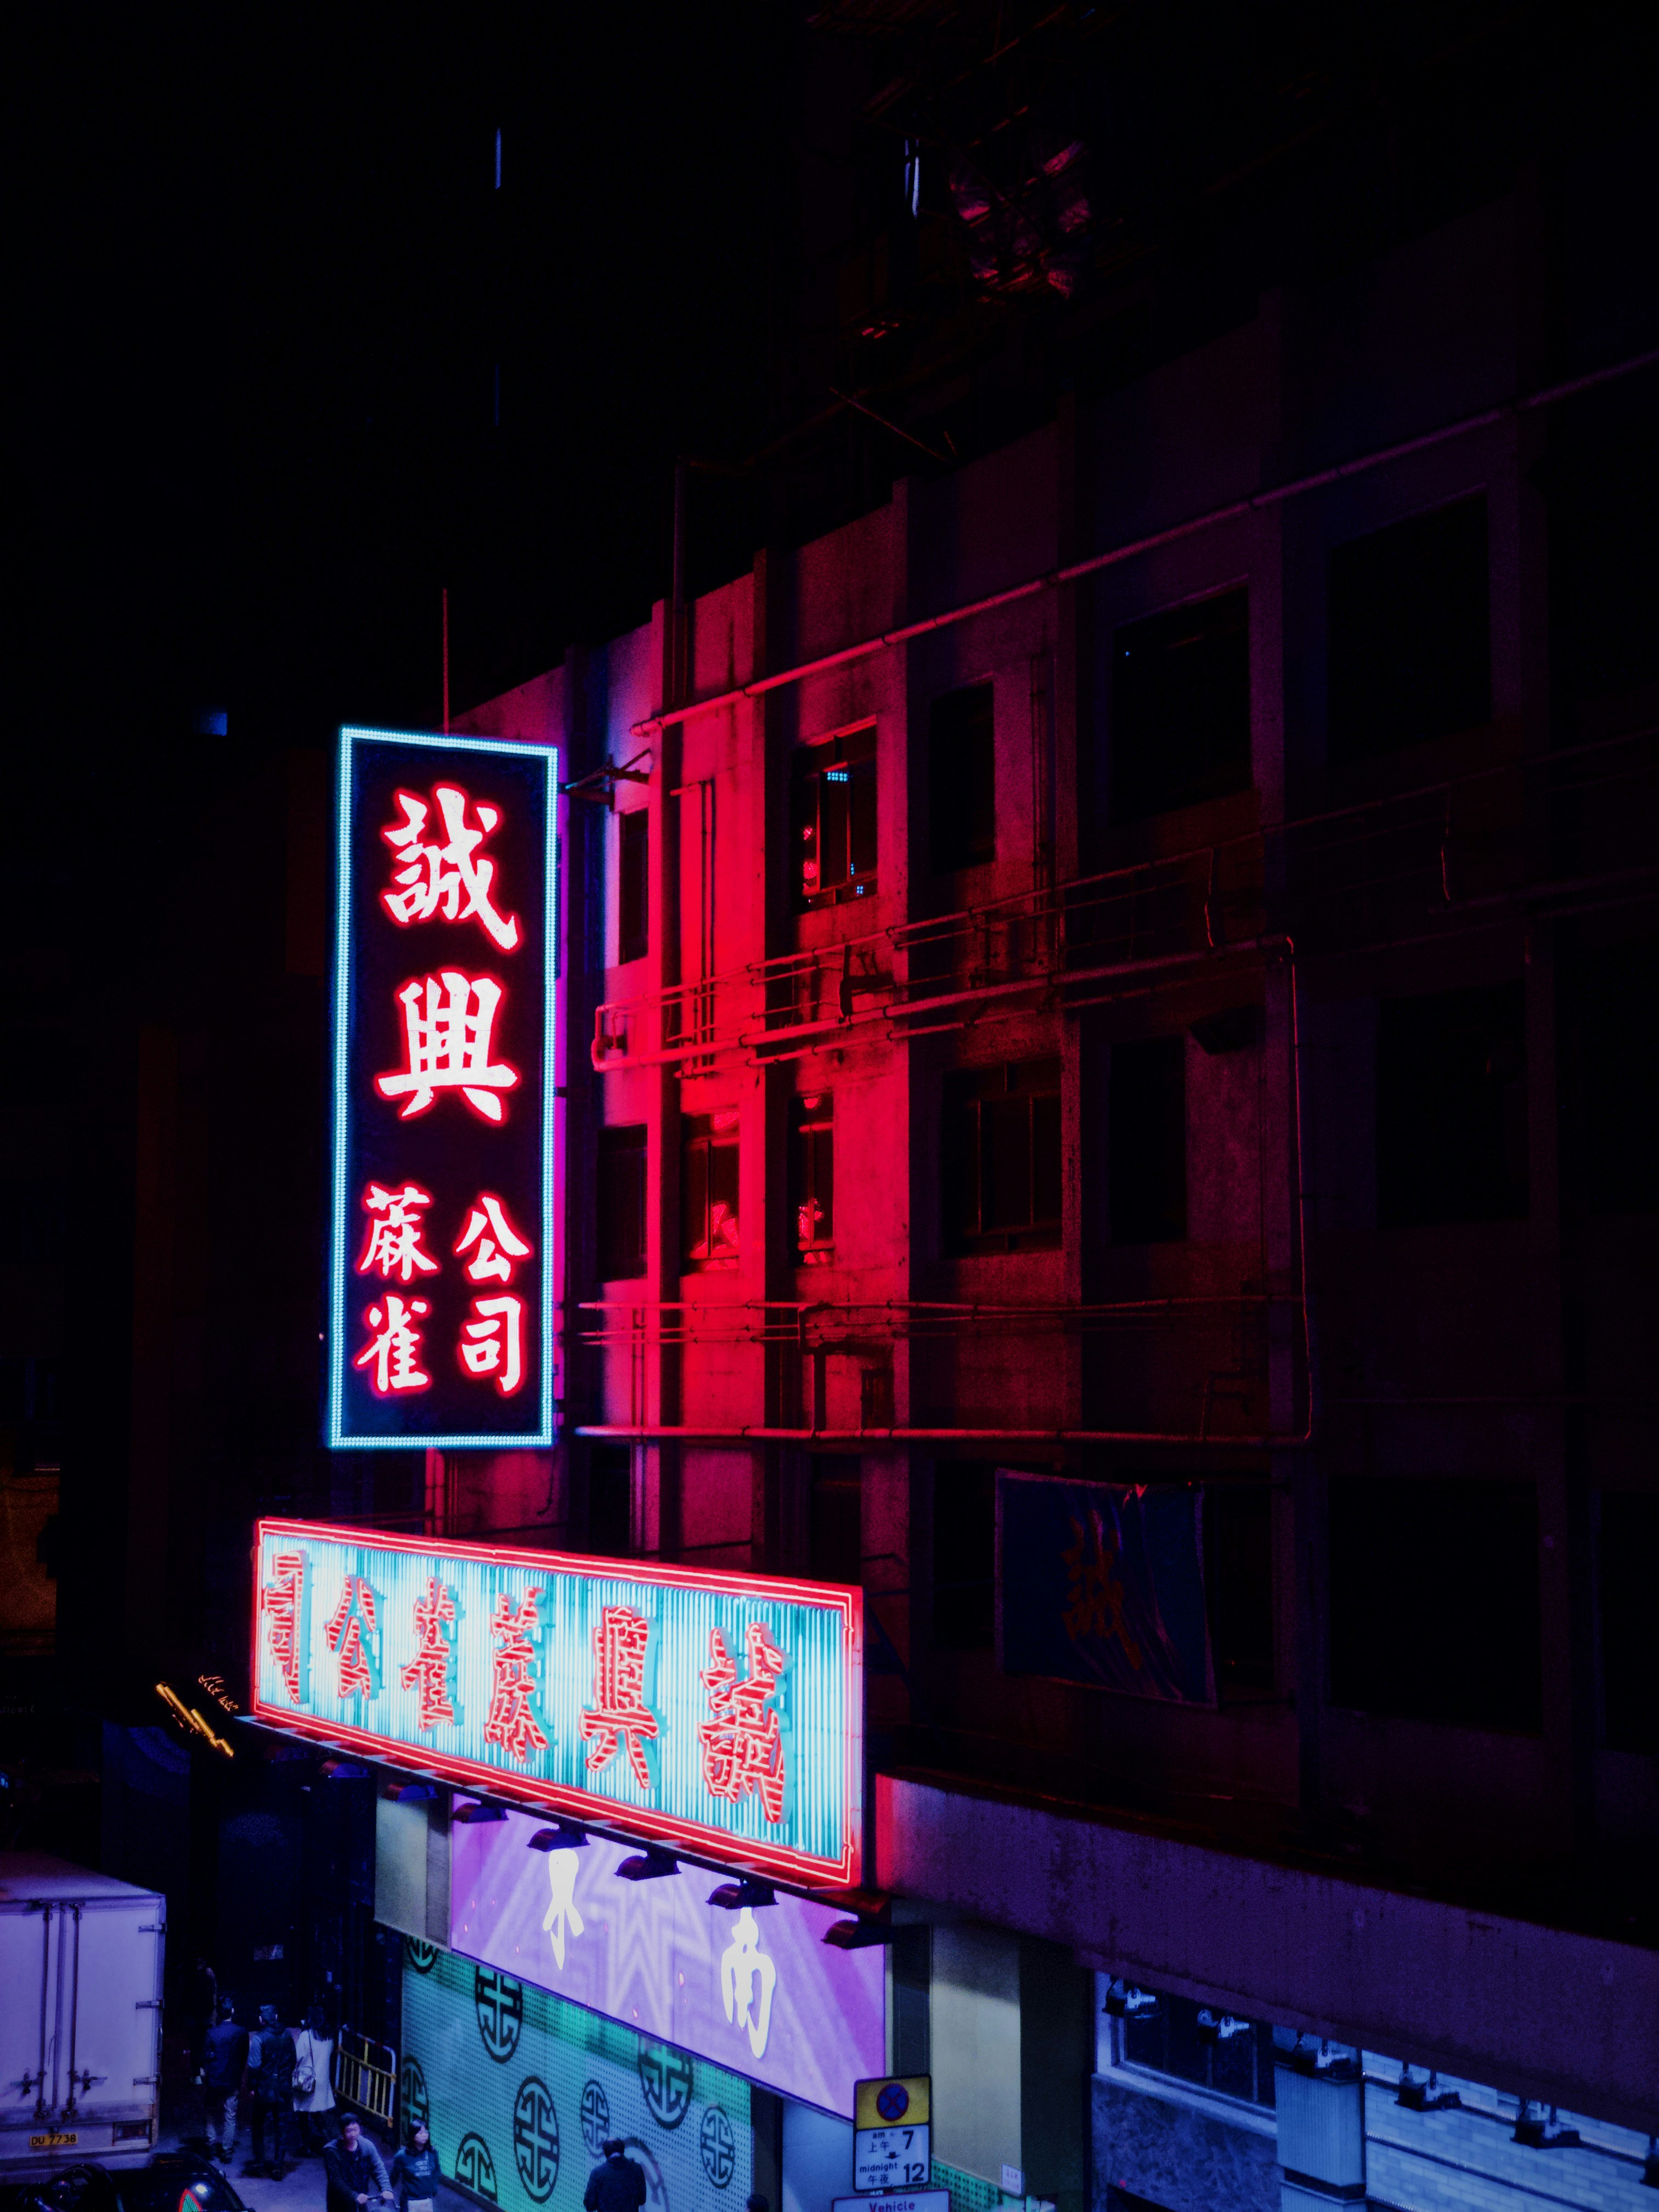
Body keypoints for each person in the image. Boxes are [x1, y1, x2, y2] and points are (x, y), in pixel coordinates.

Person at [247, 2003, 296, 2178]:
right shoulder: (287, 2035)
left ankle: (259, 2161)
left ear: (261, 2020)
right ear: (276, 2017)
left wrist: (252, 2087)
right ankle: (278, 2166)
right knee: (281, 2127)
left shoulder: (259, 2039)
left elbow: (254, 2067)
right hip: (283, 2088)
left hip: (265, 2088)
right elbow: (292, 2060)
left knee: (258, 2124)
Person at [201, 2001, 247, 2167]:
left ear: (218, 2013)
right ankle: (227, 2150)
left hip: (214, 2080)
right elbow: (244, 2057)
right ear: (233, 2011)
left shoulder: (212, 2033)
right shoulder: (241, 2033)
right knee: (230, 2116)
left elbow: (205, 2057)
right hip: (232, 2080)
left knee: (211, 2113)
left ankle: (210, 2145)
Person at [324, 2114, 392, 2212]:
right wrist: (354, 2196)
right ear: (342, 2132)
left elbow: (378, 2168)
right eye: (349, 2131)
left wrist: (386, 2188)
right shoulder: (332, 2151)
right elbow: (336, 2180)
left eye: (355, 2130)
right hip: (339, 2201)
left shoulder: (367, 2146)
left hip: (361, 2198)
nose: (353, 2134)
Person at [292, 2002, 335, 2152]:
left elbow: (298, 2057)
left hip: (307, 2081)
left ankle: (306, 2146)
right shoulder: (329, 2036)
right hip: (322, 2080)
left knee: (303, 2114)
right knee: (318, 2114)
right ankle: (329, 2142)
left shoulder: (306, 2035)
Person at [584, 2137, 647, 2212]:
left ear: (605, 2153)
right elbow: (642, 2200)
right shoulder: (636, 2169)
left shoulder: (598, 2173)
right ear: (623, 2150)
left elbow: (590, 2205)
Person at [390, 2120, 440, 2212]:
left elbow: (437, 2172)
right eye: (420, 2133)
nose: (425, 2135)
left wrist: (434, 2189)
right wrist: (387, 2191)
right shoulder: (402, 2156)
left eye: (426, 2132)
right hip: (410, 2200)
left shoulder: (432, 2152)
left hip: (427, 2200)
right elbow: (394, 2176)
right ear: (413, 2136)